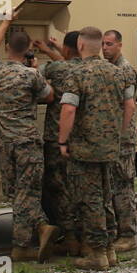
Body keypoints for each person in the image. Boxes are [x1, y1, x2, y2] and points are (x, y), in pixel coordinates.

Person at [0, 9, 57, 262]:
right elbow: (49, 96)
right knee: (28, 191)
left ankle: (39, 229)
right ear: (29, 50)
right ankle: (23, 244)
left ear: (8, 48)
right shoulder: (30, 75)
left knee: (16, 191)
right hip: (27, 141)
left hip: (5, 142)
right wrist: (36, 69)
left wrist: (6, 22)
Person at [57, 26, 127, 270]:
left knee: (90, 200)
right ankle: (109, 249)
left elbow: (68, 109)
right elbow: (128, 105)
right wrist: (118, 133)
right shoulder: (117, 73)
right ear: (100, 46)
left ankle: (96, 254)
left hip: (85, 149)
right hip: (109, 147)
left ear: (80, 45)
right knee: (106, 196)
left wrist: (63, 141)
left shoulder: (77, 74)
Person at [33, 30, 81, 255]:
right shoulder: (91, 68)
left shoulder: (58, 69)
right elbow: (67, 63)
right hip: (82, 138)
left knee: (58, 187)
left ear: (68, 49)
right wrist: (50, 50)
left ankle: (69, 236)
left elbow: (37, 75)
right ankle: (88, 237)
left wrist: (35, 60)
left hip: (57, 137)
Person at [102, 29, 137, 252]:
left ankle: (127, 234)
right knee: (112, 186)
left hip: (122, 140)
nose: (105, 48)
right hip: (111, 138)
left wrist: (122, 132)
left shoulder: (125, 70)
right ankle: (115, 231)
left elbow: (130, 105)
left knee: (124, 186)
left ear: (119, 45)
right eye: (103, 44)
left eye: (109, 44)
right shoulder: (109, 69)